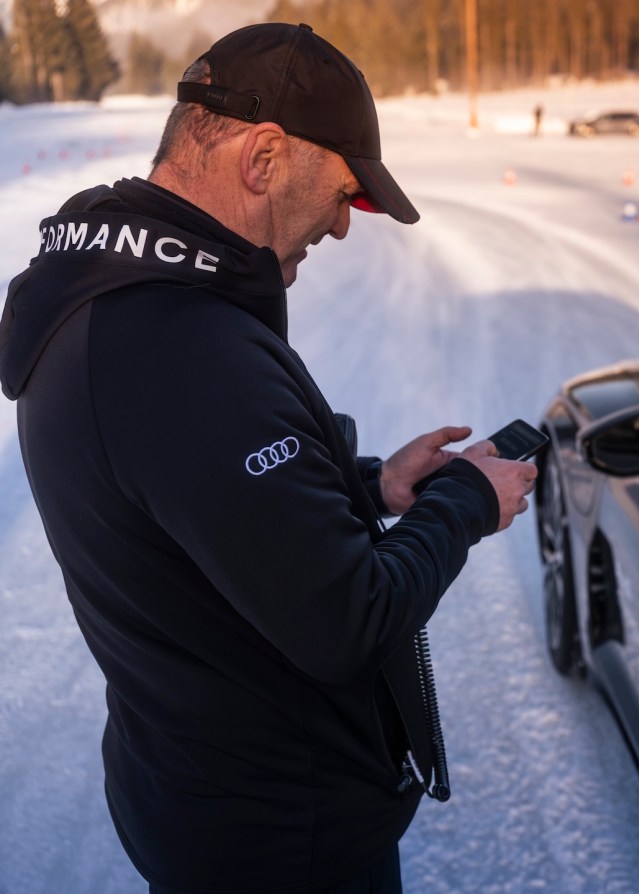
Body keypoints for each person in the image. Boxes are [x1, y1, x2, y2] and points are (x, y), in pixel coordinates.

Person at [0, 22, 536, 894]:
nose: (343, 224)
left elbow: (201, 511)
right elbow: (349, 623)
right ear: (264, 158)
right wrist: (467, 501)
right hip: (282, 842)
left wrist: (373, 486)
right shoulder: (180, 349)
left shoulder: (114, 302)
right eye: (342, 192)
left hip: (198, 799)